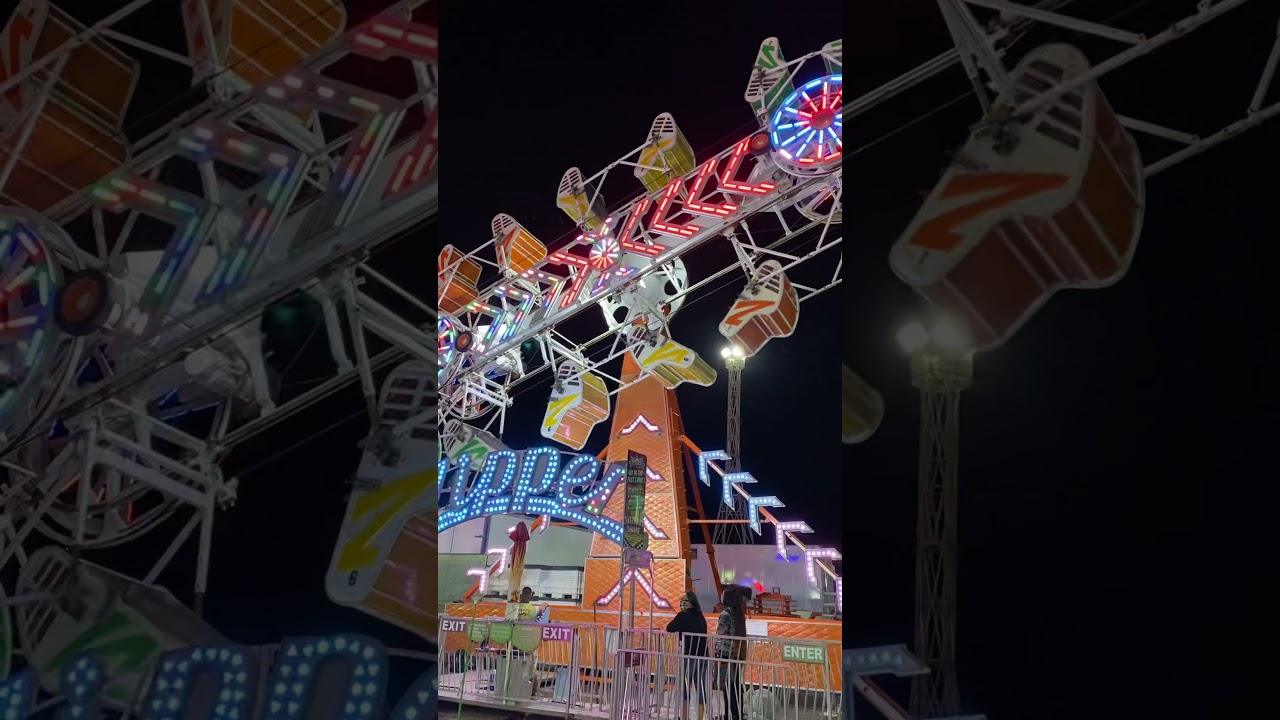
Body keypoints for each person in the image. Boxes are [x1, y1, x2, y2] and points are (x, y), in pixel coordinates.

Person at [666, 591, 709, 717]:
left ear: (691, 603)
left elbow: (670, 628)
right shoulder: (700, 616)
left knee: (685, 687)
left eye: (684, 600)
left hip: (688, 656)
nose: (682, 602)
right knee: (700, 687)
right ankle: (700, 717)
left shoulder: (682, 616)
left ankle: (684, 716)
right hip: (702, 656)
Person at [714, 587, 748, 720]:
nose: (721, 596)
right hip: (737, 654)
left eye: (723, 595)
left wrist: (716, 649)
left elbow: (720, 633)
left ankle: (728, 714)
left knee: (727, 686)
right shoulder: (739, 614)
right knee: (735, 685)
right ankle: (737, 713)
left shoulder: (725, 614)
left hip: (725, 654)